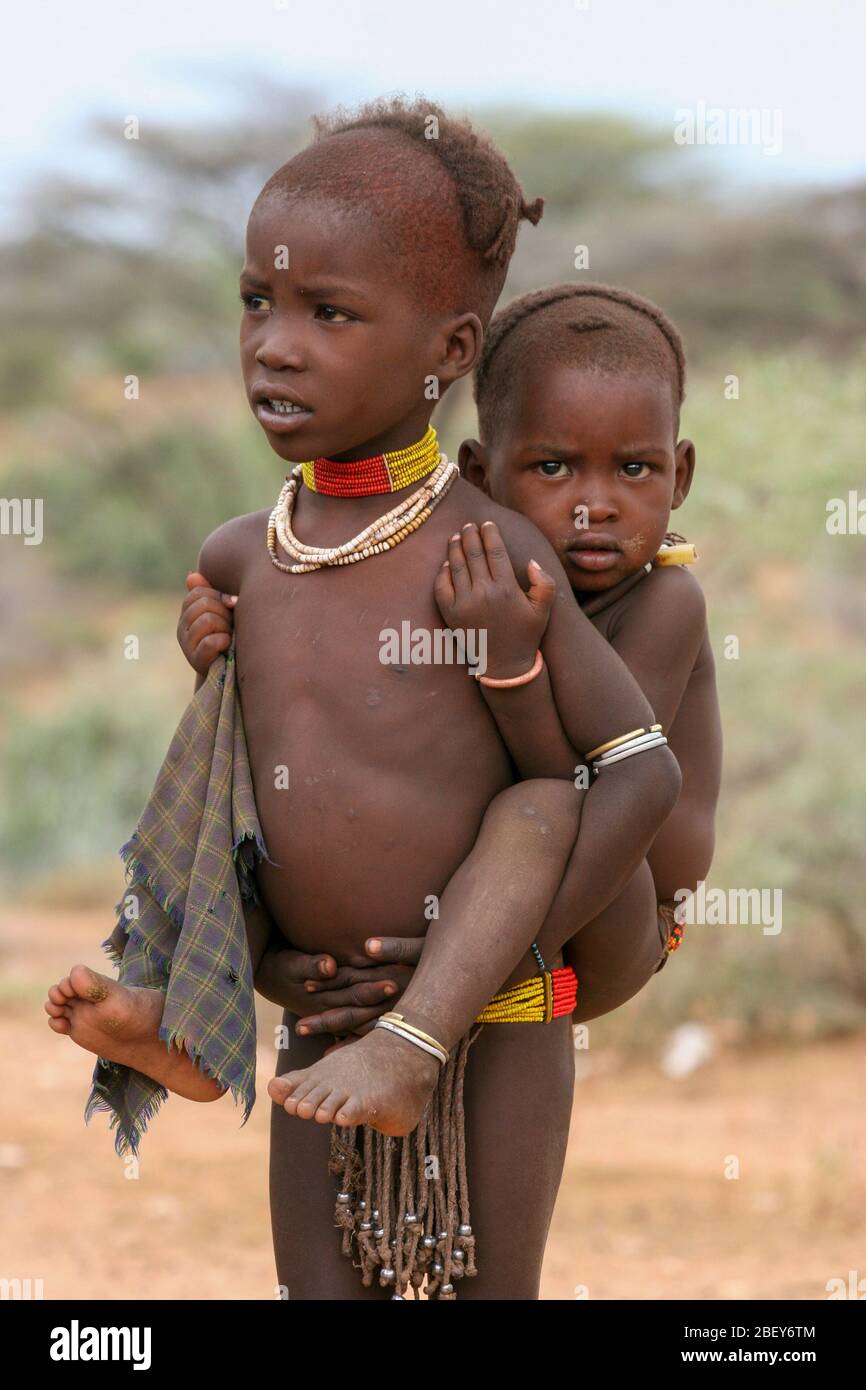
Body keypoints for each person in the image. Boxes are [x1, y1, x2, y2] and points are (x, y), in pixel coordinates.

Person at [45, 99, 681, 1300]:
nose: (274, 345)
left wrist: (488, 954)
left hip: (488, 1011)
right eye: (256, 302)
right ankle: (183, 1002)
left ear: (448, 349)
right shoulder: (242, 555)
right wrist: (214, 671)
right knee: (318, 1292)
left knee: (486, 1288)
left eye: (327, 313)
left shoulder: (487, 554)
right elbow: (284, 766)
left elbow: (637, 767)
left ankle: (376, 1031)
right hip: (326, 1005)